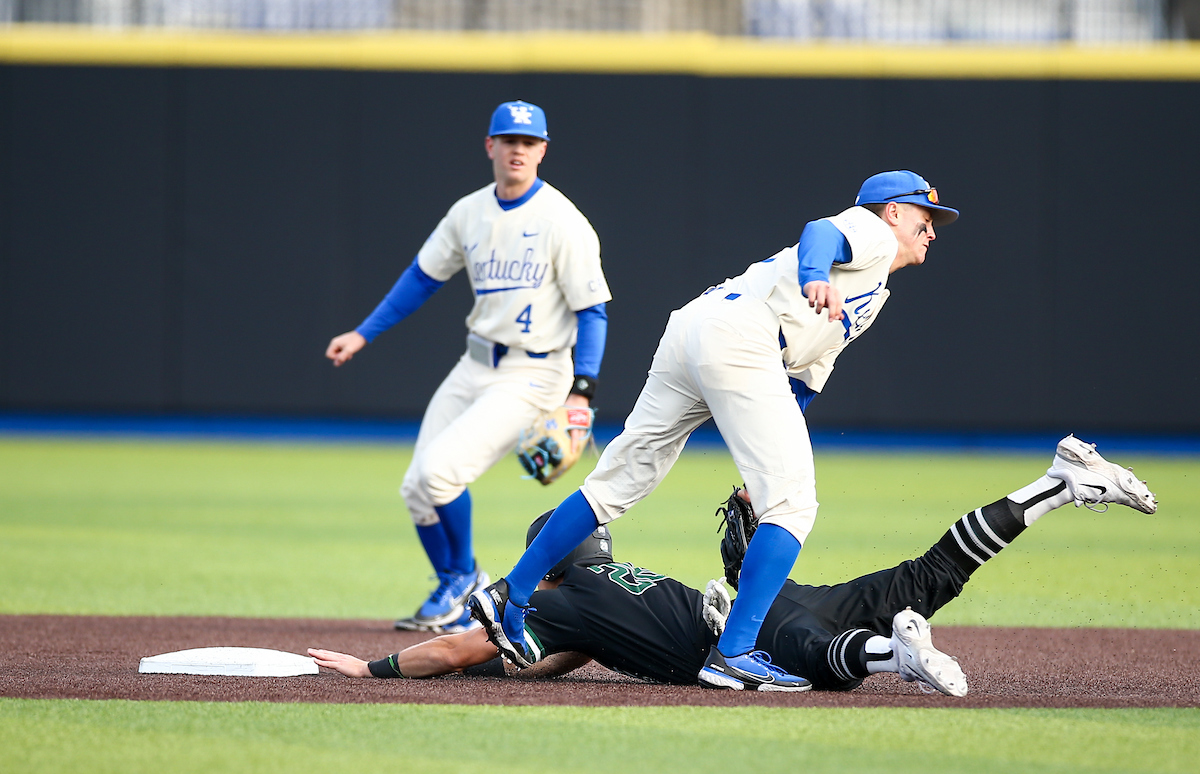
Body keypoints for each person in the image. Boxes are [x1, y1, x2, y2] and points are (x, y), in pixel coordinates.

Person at [468, 169, 958, 689]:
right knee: (793, 505)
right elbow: (822, 232)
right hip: (744, 334)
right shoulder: (873, 233)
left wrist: (760, 472)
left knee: (619, 482)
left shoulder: (871, 292)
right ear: (893, 211)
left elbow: (802, 383)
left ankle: (510, 593)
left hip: (698, 329)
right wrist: (815, 274)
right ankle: (734, 652)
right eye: (924, 216)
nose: (931, 230)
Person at [310, 435, 1156, 694]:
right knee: (925, 576)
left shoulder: (556, 603)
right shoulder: (591, 601)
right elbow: (569, 654)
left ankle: (894, 653)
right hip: (768, 594)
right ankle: (1053, 485)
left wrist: (373, 667)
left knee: (823, 665)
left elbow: (458, 647)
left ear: (551, 567)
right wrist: (528, 667)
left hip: (742, 630)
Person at [324, 101, 612, 633]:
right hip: (475, 363)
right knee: (417, 488)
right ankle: (454, 587)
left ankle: (467, 584)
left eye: (528, 142)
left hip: (535, 372)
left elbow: (592, 312)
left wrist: (582, 392)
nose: (518, 150)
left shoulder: (562, 221)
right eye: (509, 140)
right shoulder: (468, 212)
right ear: (490, 146)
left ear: (543, 151)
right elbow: (422, 276)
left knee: (439, 473)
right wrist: (364, 332)